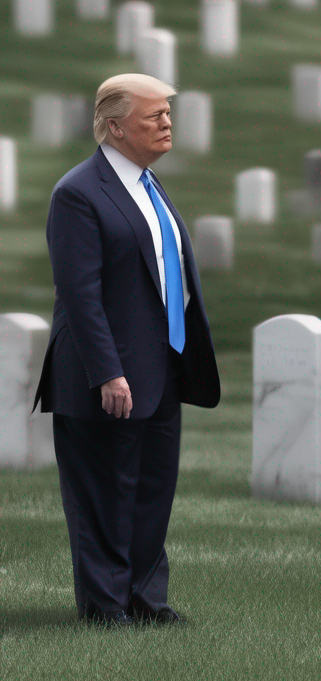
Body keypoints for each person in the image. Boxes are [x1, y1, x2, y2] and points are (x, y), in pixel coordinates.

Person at [33, 73, 221, 627]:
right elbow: (79, 294)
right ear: (115, 127)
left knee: (152, 490)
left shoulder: (147, 183)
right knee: (102, 497)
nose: (167, 124)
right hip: (105, 374)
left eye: (168, 113)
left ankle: (145, 601)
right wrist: (109, 373)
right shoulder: (78, 193)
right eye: (154, 116)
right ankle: (104, 608)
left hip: (161, 365)